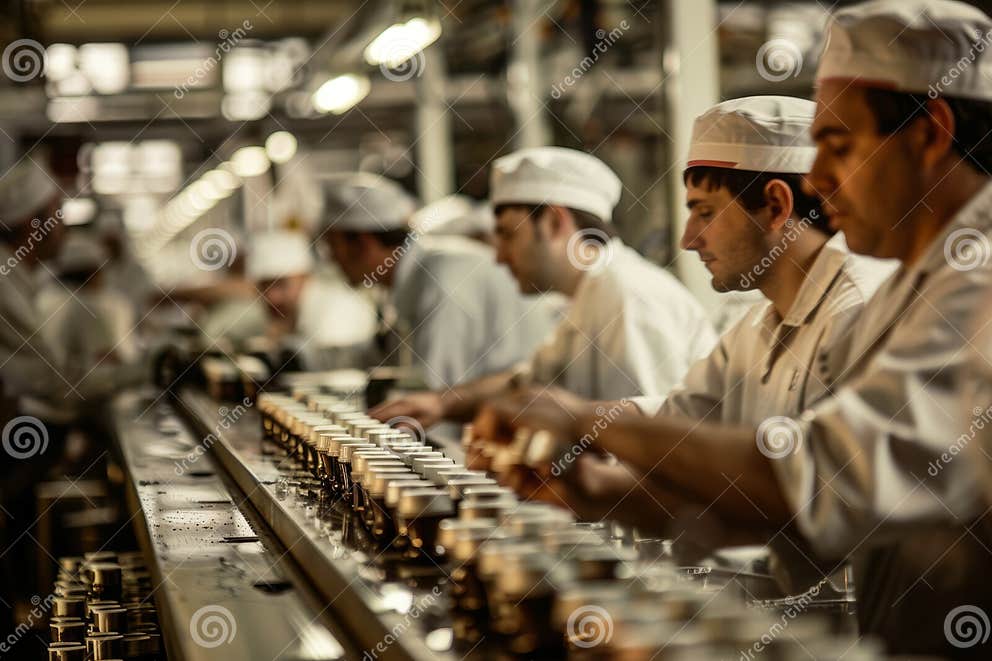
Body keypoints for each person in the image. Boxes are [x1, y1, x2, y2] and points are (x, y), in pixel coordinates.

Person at [473, 1, 992, 655]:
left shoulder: (968, 287)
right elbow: (697, 443)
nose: (821, 181)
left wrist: (579, 421)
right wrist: (587, 484)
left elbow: (821, 475)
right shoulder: (904, 285)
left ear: (929, 132)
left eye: (838, 145)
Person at [371, 147, 717, 428]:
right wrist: (441, 404)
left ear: (553, 222)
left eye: (507, 235)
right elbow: (526, 383)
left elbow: (645, 440)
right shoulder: (588, 294)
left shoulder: (626, 294)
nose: (500, 258)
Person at [316, 172, 562, 390]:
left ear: (361, 244)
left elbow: (436, 394)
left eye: (331, 246)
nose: (331, 259)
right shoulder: (414, 276)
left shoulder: (441, 278)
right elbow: (380, 355)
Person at [240, 229, 376, 370]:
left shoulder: (336, 312)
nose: (272, 297)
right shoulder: (291, 314)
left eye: (281, 284)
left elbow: (337, 380)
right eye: (263, 287)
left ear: (305, 277)